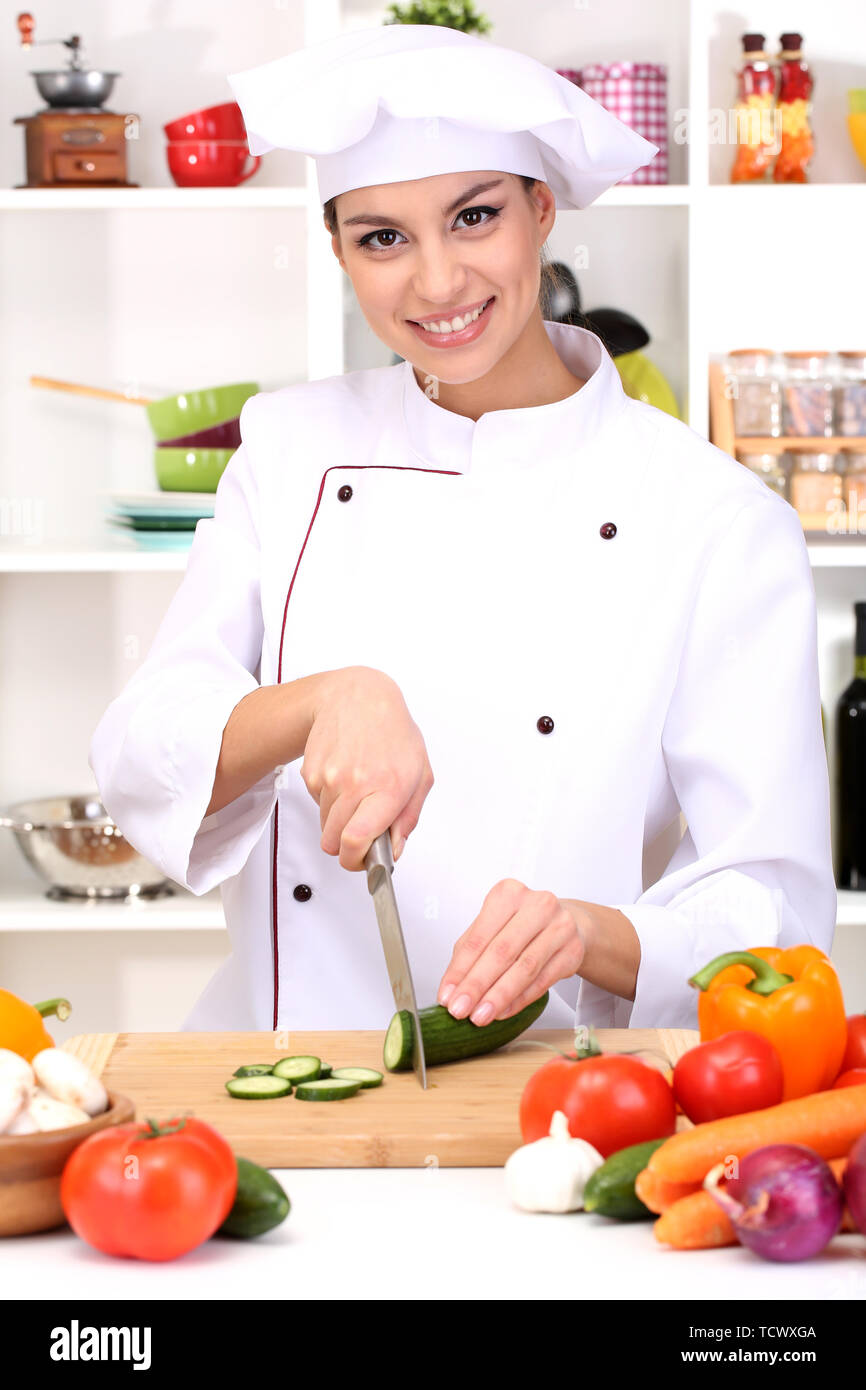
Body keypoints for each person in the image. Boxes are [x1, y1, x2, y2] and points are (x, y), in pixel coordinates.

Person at [89, 24, 835, 1033]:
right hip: (273, 1076)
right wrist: (320, 702)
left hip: (550, 1110)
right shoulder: (291, 447)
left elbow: (775, 920)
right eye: (382, 238)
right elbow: (140, 749)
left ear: (539, 213)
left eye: (473, 217)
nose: (435, 283)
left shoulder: (711, 517)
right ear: (340, 250)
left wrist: (589, 931)